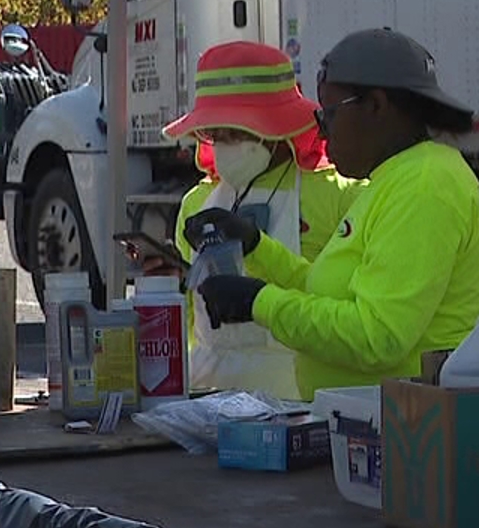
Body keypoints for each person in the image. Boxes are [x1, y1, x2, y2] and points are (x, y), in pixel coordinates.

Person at [185, 28, 479, 401]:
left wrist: (259, 301)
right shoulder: (396, 178)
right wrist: (256, 246)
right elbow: (328, 293)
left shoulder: (424, 186)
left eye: (328, 114)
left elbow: (377, 336)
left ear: (377, 106)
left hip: (402, 425)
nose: (322, 130)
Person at [152, 41, 364, 398]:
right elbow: (190, 323)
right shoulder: (197, 201)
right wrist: (167, 288)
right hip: (209, 392)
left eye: (235, 131)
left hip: (301, 396)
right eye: (213, 133)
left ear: (281, 127)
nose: (223, 144)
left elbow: (349, 312)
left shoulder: (339, 193)